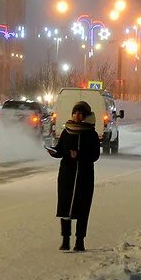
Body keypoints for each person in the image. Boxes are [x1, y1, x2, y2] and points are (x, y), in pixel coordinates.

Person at [47, 102, 102, 251]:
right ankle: (65, 240)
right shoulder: (67, 131)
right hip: (67, 175)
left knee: (82, 208)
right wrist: (54, 152)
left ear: (85, 116)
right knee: (65, 206)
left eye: (80, 113)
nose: (76, 116)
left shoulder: (91, 134)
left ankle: (80, 241)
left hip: (84, 176)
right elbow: (60, 150)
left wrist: (79, 155)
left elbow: (95, 155)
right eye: (74, 113)